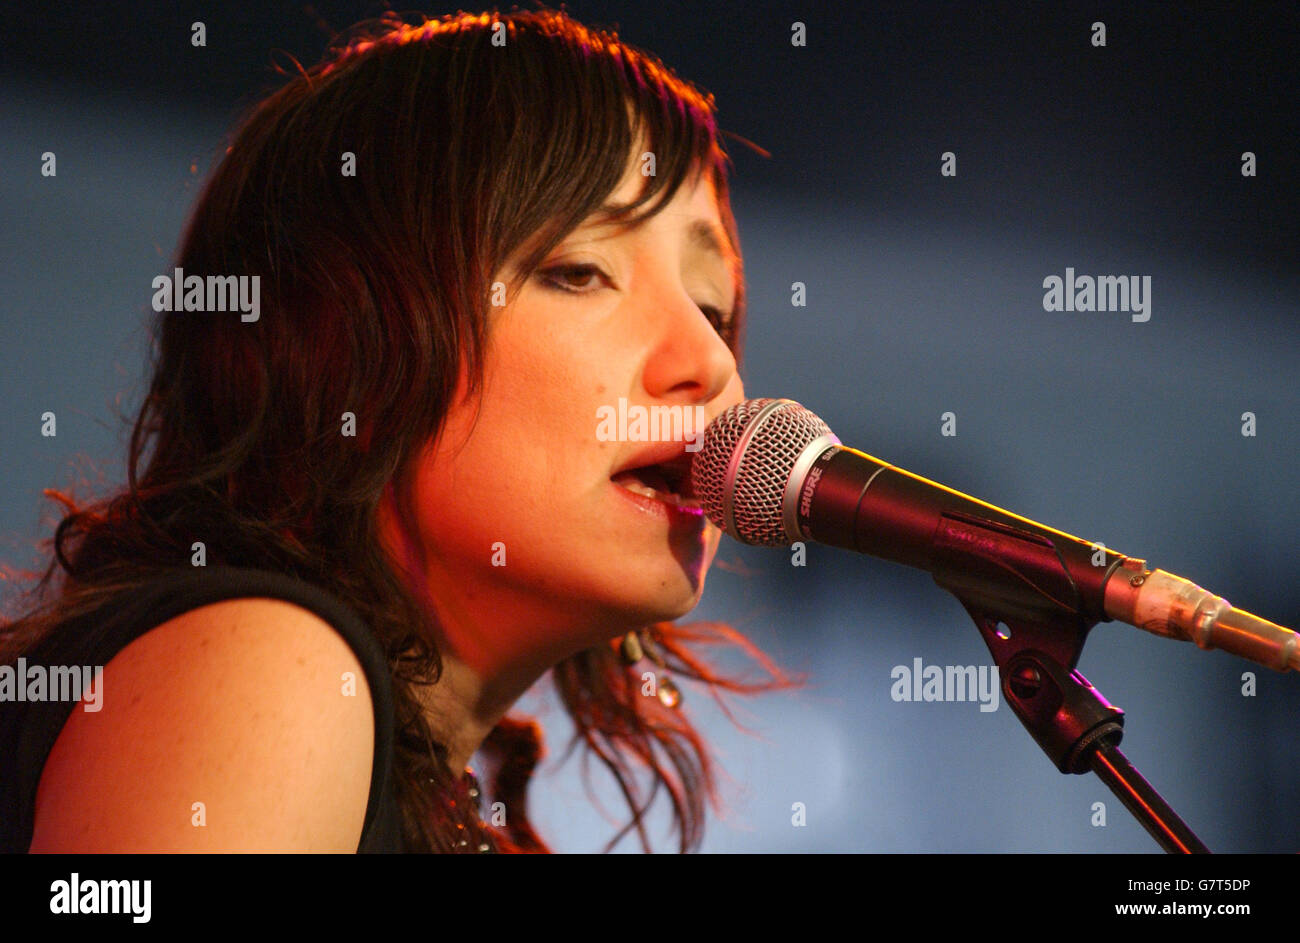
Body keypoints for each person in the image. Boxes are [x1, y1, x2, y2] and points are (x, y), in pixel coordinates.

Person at [0, 7, 795, 854]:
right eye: (579, 270)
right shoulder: (274, 662)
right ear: (344, 341)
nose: (709, 361)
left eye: (712, 307)